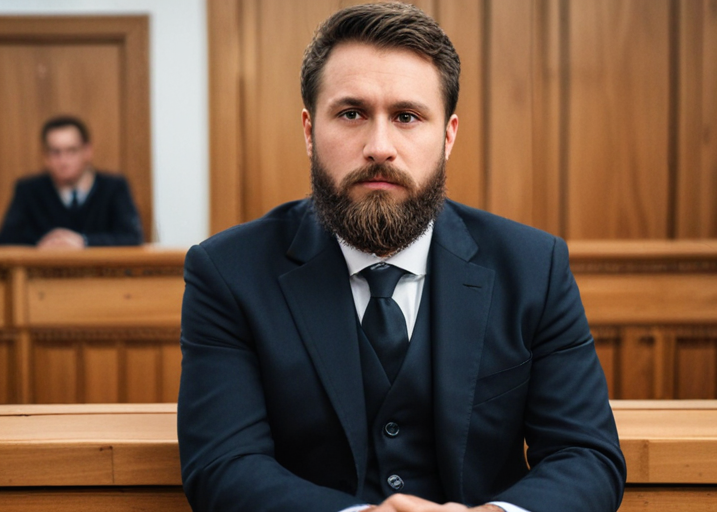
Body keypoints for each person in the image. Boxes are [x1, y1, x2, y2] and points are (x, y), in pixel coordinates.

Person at [177, 3, 625, 512]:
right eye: (352, 113)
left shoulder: (534, 267)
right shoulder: (227, 273)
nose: (379, 146)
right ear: (308, 130)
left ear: (449, 135)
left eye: (407, 117)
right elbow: (223, 465)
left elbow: (585, 454)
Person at [0, 116, 143, 247]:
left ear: (87, 151)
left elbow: (132, 237)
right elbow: (7, 239)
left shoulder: (114, 187)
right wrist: (46, 244)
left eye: (72, 151)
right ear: (45, 157)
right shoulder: (28, 190)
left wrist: (83, 241)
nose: (63, 161)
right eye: (55, 152)